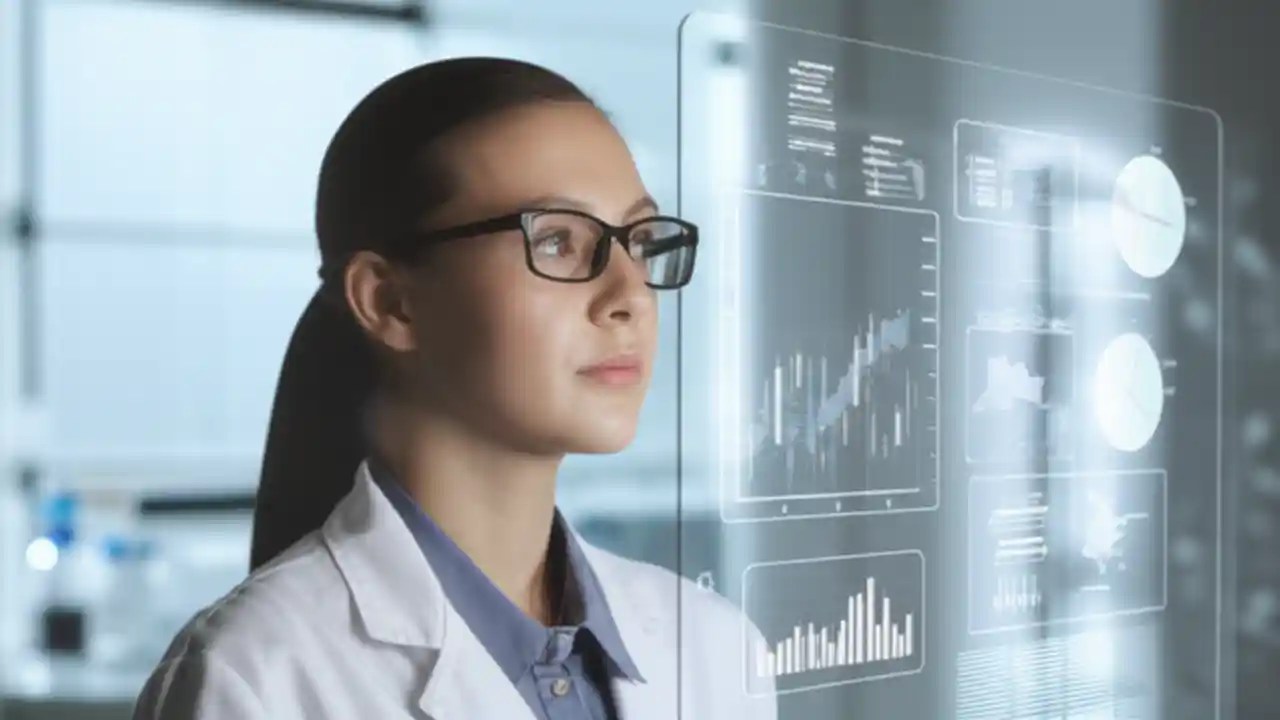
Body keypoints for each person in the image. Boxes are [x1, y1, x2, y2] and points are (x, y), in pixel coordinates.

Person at [131, 57, 776, 720]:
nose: (631, 295)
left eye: (639, 241)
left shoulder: (712, 647)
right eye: (557, 240)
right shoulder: (255, 677)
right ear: (391, 302)